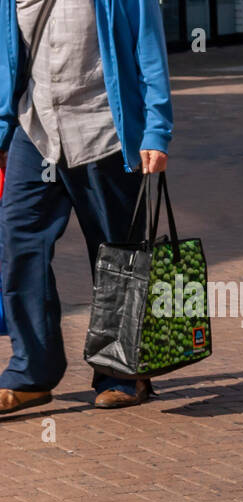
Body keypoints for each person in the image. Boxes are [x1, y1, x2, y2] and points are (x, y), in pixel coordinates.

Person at [0, 0, 173, 415]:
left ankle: (122, 372)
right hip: (37, 130)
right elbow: (8, 56)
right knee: (19, 243)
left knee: (117, 255)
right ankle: (31, 372)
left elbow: (149, 50)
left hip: (104, 131)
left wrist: (156, 130)